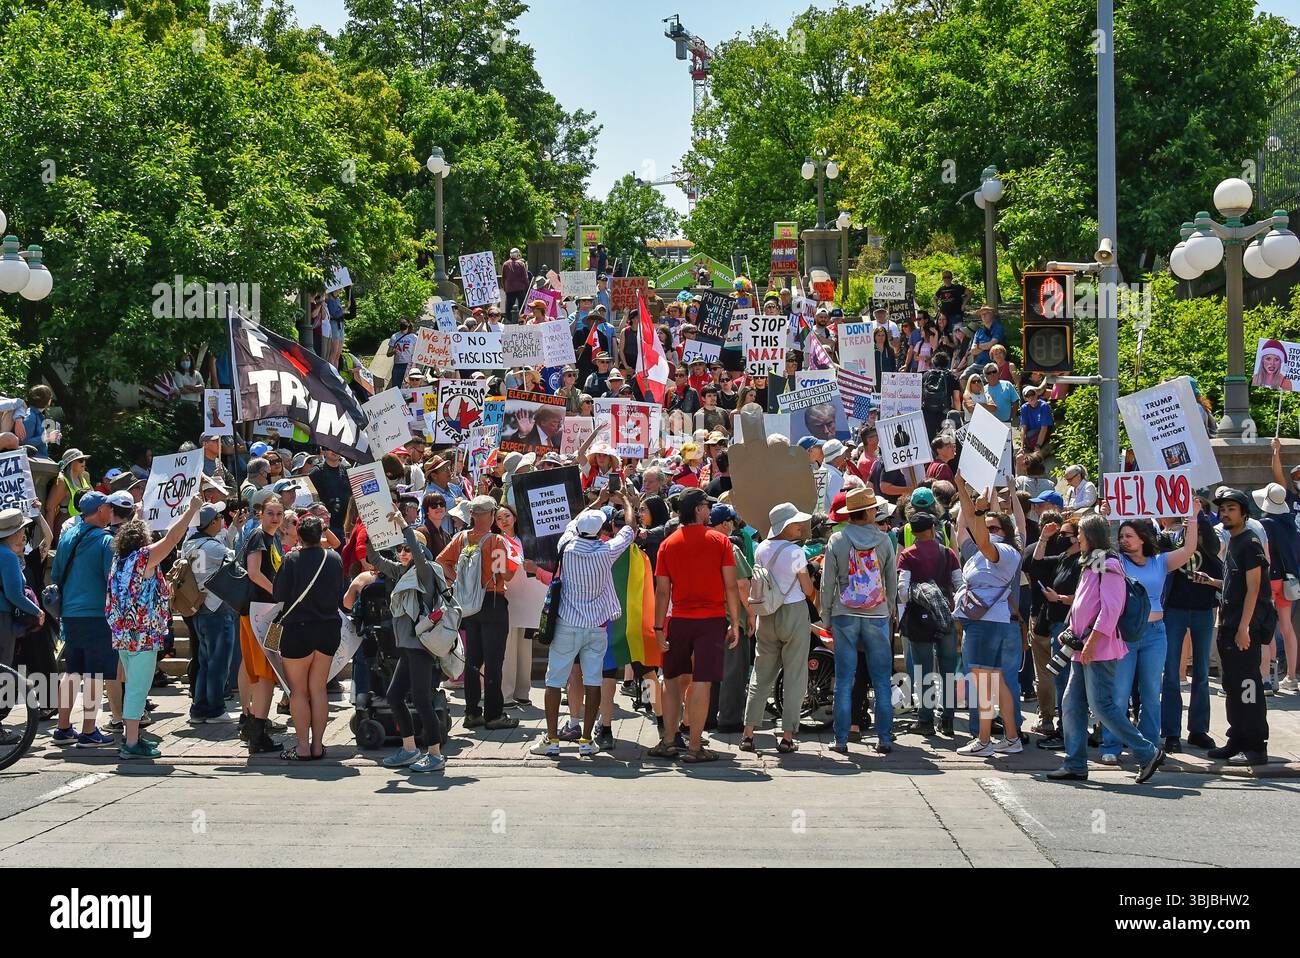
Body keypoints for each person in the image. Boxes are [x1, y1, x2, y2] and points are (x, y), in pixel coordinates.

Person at [1047, 515, 1166, 783]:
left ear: (1090, 535)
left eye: (1080, 533)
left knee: (1102, 708)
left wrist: (1090, 643)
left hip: (1098, 649)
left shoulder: (1108, 563)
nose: (1077, 537)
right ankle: (1075, 763)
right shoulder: (1092, 562)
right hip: (1083, 648)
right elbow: (1085, 604)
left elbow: (1111, 610)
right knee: (1072, 706)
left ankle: (1147, 753)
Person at [532, 499, 638, 758]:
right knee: (593, 682)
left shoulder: (566, 546)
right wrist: (625, 501)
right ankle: (586, 739)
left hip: (567, 625)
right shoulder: (606, 551)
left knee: (554, 681)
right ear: (601, 531)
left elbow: (572, 523)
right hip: (596, 626)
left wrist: (598, 499)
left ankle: (553, 738)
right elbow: (630, 529)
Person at [106, 495, 204, 759]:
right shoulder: (143, 558)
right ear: (143, 541)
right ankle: (131, 744)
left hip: (124, 635)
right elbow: (172, 538)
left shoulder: (120, 559)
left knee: (134, 686)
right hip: (142, 635)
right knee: (138, 689)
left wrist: (137, 516)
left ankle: (131, 737)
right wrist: (192, 510)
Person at [650, 488, 742, 762]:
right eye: (706, 505)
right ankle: (693, 747)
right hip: (711, 620)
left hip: (679, 619)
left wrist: (657, 628)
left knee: (672, 680)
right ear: (698, 509)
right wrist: (734, 622)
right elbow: (730, 586)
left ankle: (668, 741)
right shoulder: (720, 541)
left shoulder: (668, 544)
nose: (709, 510)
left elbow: (662, 591)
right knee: (702, 682)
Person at [1100, 510, 1198, 761]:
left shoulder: (1160, 562)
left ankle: (1149, 747)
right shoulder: (1116, 561)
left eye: (1129, 535)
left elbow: (1188, 550)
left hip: (1156, 633)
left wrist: (1194, 517)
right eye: (1121, 535)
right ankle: (1111, 746)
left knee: (1151, 693)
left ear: (1142, 538)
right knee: (1119, 693)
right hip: (1125, 634)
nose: (1123, 540)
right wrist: (1106, 518)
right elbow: (1099, 552)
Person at [823, 486, 897, 754]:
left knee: (845, 680)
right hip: (876, 616)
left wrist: (826, 615)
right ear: (868, 512)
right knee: (880, 680)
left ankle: (841, 740)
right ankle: (884, 739)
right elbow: (892, 582)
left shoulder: (837, 541)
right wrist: (887, 611)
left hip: (845, 614)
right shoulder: (885, 541)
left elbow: (827, 582)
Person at [953, 476, 1023, 756]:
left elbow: (979, 532)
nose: (988, 529)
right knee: (996, 681)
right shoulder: (980, 550)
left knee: (983, 682)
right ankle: (1011, 738)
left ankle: (984, 741)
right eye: (988, 526)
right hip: (984, 622)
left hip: (987, 623)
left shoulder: (1004, 551)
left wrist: (981, 511)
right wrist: (961, 486)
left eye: (995, 527)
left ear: (1004, 532)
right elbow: (972, 522)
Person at [739, 503, 817, 754]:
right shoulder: (795, 552)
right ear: (785, 526)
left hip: (766, 614)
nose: (800, 526)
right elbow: (806, 589)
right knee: (794, 676)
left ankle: (748, 733)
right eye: (795, 523)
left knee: (761, 676)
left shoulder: (762, 547)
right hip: (793, 613)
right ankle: (787, 736)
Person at [437, 496, 516, 730]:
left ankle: (472, 713)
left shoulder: (460, 538)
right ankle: (494, 715)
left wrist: (458, 581)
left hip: (468, 606)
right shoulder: (497, 541)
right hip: (492, 601)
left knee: (473, 660)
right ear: (491, 515)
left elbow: (441, 561)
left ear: (472, 515)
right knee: (493, 662)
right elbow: (506, 575)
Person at [1207, 488, 1272, 765]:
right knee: (1232, 685)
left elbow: (1254, 589)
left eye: (1231, 508)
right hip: (1229, 627)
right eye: (1222, 509)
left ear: (1244, 513)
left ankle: (1256, 745)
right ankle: (1237, 739)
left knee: (1248, 686)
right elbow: (1237, 585)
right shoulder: (1233, 542)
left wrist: (1244, 627)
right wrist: (1211, 582)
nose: (1225, 513)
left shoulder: (1250, 543)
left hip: (1244, 629)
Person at [50, 491, 120, 748]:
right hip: (96, 614)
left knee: (72, 672)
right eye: (108, 507)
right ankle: (89, 731)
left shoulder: (68, 536)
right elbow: (111, 581)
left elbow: (56, 574)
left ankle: (63, 728)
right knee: (94, 674)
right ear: (100, 510)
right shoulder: (106, 541)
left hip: (69, 613)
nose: (111, 511)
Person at [273, 515, 345, 761]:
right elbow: (340, 593)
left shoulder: (291, 559)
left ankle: (302, 746)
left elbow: (278, 593)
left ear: (300, 536)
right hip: (327, 628)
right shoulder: (334, 558)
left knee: (298, 692)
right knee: (319, 689)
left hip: (298, 629)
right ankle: (318, 745)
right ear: (321, 534)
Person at [1160, 503, 1221, 752]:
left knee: (1202, 674)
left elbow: (1215, 549)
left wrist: (1199, 518)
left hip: (1203, 608)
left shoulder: (1208, 533)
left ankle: (1198, 730)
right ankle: (1171, 732)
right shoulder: (1169, 537)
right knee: (1172, 672)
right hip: (1174, 608)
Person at [897, 511, 961, 736]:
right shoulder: (948, 553)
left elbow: (902, 591)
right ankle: (948, 720)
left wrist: (916, 597)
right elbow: (959, 584)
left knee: (923, 670)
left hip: (919, 619)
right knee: (948, 670)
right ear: (933, 529)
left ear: (912, 532)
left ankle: (925, 720)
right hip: (946, 616)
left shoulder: (907, 555)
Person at [181, 503, 239, 724]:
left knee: (205, 660)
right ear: (211, 522)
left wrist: (233, 529)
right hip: (216, 608)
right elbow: (238, 559)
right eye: (218, 517)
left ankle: (199, 708)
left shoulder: (190, 543)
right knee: (219, 661)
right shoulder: (213, 547)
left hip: (199, 607)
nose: (222, 520)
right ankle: (215, 709)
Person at [240, 498, 285, 754]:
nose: (275, 518)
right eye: (270, 513)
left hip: (267, 612)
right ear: (261, 514)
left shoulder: (272, 538)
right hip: (259, 613)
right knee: (266, 671)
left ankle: (253, 724)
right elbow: (253, 572)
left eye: (279, 513)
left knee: (262, 671)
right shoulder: (258, 536)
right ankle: (256, 731)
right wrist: (279, 593)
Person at [0, 510, 44, 745]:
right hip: (2, 620)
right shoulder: (6, 556)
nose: (24, 535)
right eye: (22, 531)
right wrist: (37, 611)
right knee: (4, 672)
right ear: (14, 533)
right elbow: (14, 594)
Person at [1256, 483, 1299, 692]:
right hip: (1289, 581)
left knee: (1268, 629)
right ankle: (1291, 676)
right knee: (1287, 628)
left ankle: (1269, 677)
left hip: (1271, 579)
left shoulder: (1264, 524)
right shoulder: (1291, 522)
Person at [46, 448, 93, 534]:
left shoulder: (83, 478)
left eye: (84, 460)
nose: (83, 462)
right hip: (66, 524)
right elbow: (50, 508)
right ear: (70, 463)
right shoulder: (62, 481)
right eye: (80, 460)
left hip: (81, 524)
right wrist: (49, 535)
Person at [1019, 385, 1053, 454]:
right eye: (1028, 395)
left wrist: (1038, 446)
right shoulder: (1024, 408)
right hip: (1032, 437)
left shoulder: (1044, 406)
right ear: (1025, 398)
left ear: (1036, 394)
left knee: (1036, 457)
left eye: (1032, 394)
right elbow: (1023, 427)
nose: (1031, 397)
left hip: (1045, 436)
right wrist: (1021, 447)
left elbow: (1044, 428)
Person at [386, 317, 416, 389]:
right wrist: (393, 351)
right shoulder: (394, 336)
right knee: (396, 388)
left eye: (404, 323)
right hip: (397, 366)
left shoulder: (414, 337)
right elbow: (388, 354)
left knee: (407, 387)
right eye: (401, 323)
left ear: (408, 324)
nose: (402, 324)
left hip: (409, 365)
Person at [502, 248, 531, 323]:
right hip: (520, 289)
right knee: (522, 305)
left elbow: (503, 277)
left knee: (509, 306)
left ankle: (509, 320)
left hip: (509, 289)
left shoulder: (505, 264)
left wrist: (505, 288)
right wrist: (527, 287)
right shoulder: (521, 264)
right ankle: (522, 320)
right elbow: (525, 277)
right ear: (517, 254)